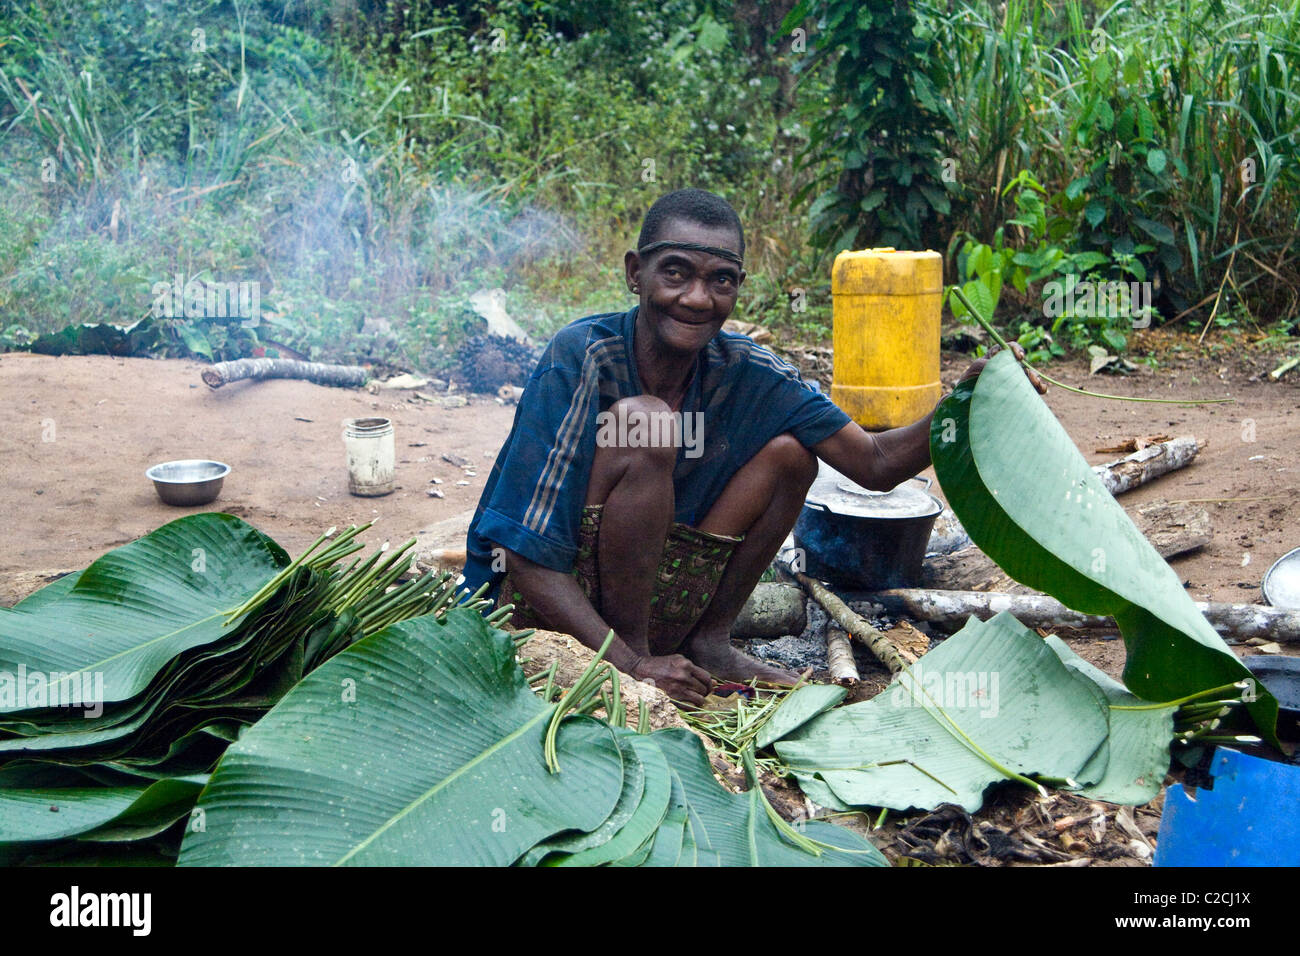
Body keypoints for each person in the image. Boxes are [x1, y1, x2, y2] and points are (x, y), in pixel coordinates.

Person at [461, 188, 1042, 706]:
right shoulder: (584, 355)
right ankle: (643, 667)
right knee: (648, 424)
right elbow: (525, 553)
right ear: (635, 273)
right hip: (557, 612)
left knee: (793, 455)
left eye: (721, 280)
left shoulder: (748, 371)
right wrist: (632, 664)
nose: (697, 298)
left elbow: (877, 464)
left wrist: (969, 400)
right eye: (675, 273)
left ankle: (708, 642)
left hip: (660, 597)